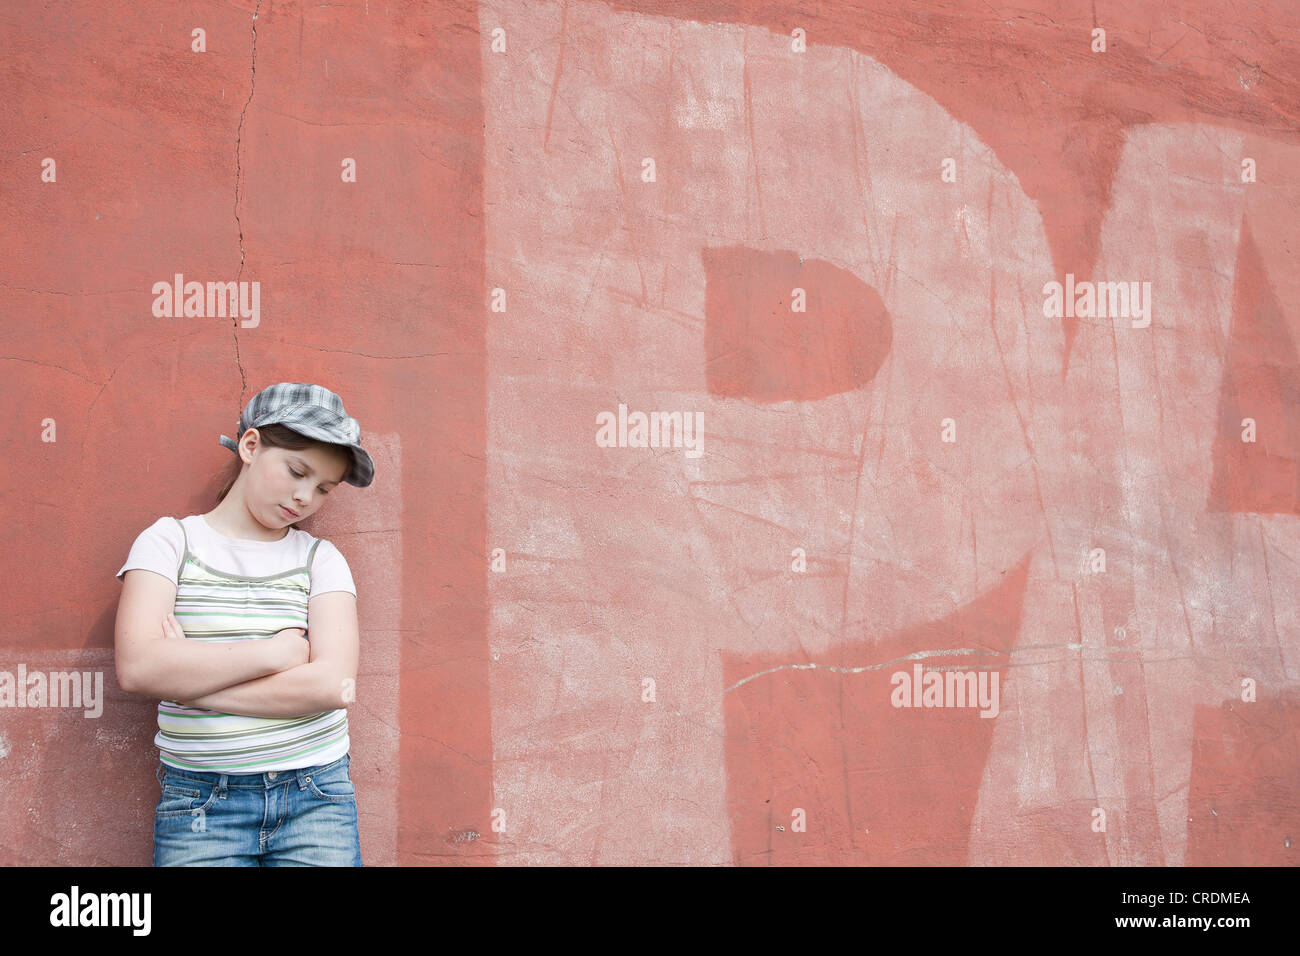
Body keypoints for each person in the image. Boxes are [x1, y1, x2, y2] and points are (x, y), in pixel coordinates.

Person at [113, 382, 375, 866]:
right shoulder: (169, 543)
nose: (304, 498)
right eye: (297, 471)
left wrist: (191, 686)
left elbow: (333, 685)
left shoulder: (321, 559)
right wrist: (272, 654)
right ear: (251, 446)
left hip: (314, 794)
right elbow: (137, 667)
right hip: (199, 802)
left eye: (323, 488)